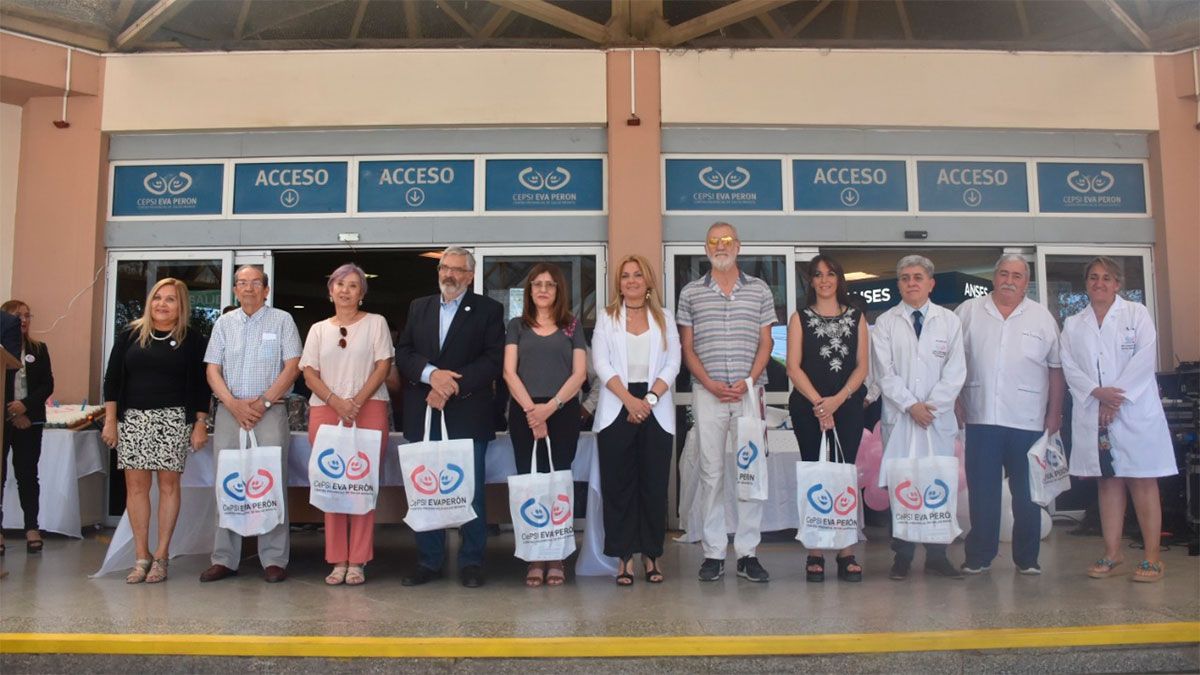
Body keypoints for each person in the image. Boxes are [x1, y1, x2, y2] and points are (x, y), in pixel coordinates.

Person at [1060, 256, 1175, 583]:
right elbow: (1070, 366)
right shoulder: (1073, 323)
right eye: (1094, 277)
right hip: (1094, 408)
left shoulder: (1136, 314)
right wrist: (1098, 394)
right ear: (1086, 284)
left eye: (1107, 278)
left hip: (1133, 410)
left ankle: (1152, 558)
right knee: (1108, 481)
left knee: (1141, 480)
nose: (1100, 283)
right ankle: (1113, 553)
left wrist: (1114, 397)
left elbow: (1144, 358)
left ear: (1118, 284)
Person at [394, 246, 504, 589]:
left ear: (470, 276)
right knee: (427, 491)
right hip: (423, 412)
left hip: (468, 413)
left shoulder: (488, 309)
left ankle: (471, 562)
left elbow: (492, 360)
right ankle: (430, 561)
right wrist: (431, 375)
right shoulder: (419, 306)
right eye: (444, 268)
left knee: (468, 491)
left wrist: (449, 385)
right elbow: (405, 352)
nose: (449, 275)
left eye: (457, 270)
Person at [677, 222, 776, 583]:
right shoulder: (690, 292)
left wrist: (748, 381)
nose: (721, 246)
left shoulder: (760, 289)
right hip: (708, 394)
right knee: (711, 473)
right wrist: (710, 384)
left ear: (739, 245)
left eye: (727, 240)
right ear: (705, 248)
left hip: (750, 394)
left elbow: (767, 342)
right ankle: (714, 553)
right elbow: (687, 347)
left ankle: (748, 553)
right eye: (714, 241)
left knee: (751, 474)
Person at [955, 254, 1065, 576]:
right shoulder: (969, 312)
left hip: (1028, 420)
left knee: (1028, 496)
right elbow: (953, 363)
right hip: (981, 417)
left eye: (1017, 275)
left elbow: (1056, 370)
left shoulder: (1042, 318)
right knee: (983, 493)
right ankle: (978, 557)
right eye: (1004, 273)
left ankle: (1027, 559)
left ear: (1025, 282)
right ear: (994, 277)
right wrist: (956, 401)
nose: (1009, 280)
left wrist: (1054, 412)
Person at [100, 281, 208, 582]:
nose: (162, 304)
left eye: (170, 299)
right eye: (157, 298)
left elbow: (201, 386)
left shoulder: (193, 339)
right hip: (133, 418)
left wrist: (200, 422)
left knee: (168, 487)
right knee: (135, 488)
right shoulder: (131, 334)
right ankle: (140, 556)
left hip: (173, 419)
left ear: (180, 305)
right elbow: (112, 380)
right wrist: (111, 420)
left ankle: (161, 556)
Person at [201, 265, 301, 584]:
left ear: (266, 290)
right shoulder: (223, 323)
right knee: (227, 481)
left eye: (255, 283)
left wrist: (263, 403)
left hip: (269, 411)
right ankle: (225, 558)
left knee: (270, 480)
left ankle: (273, 557)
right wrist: (231, 403)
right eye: (242, 283)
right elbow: (212, 369)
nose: (248, 288)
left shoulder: (282, 320)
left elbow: (293, 366)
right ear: (234, 289)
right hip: (230, 412)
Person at [871, 255, 966, 581]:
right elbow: (885, 373)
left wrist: (931, 406)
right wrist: (912, 406)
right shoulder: (885, 322)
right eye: (905, 277)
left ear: (930, 283)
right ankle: (902, 557)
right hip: (902, 419)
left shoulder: (949, 321)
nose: (911, 282)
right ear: (898, 284)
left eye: (918, 277)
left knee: (937, 485)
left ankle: (938, 556)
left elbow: (956, 372)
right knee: (904, 487)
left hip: (936, 420)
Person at [299, 264, 393, 586]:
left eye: (353, 285)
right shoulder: (318, 329)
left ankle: (359, 560)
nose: (345, 290)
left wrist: (355, 401)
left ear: (362, 293)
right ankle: (337, 560)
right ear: (330, 290)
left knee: (362, 485)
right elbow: (308, 372)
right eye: (339, 284)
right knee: (332, 484)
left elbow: (384, 365)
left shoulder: (376, 324)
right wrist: (336, 401)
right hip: (326, 410)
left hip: (369, 409)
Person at [592, 254, 681, 585]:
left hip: (655, 407)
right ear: (619, 283)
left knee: (654, 486)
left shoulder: (664, 318)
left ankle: (652, 556)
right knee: (620, 487)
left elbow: (673, 363)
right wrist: (630, 400)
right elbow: (601, 364)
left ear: (648, 282)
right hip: (618, 406)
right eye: (625, 276)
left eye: (637, 275)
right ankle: (624, 558)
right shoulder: (606, 317)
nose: (631, 281)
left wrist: (649, 400)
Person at [504, 262, 588, 587]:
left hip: (563, 412)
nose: (542, 289)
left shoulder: (572, 326)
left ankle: (557, 557)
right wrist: (531, 412)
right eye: (537, 284)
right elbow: (510, 372)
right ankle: (534, 557)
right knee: (530, 485)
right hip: (524, 413)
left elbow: (579, 374)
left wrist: (549, 409)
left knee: (557, 484)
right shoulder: (516, 325)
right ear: (529, 291)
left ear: (558, 291)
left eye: (549, 284)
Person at [786, 256, 869, 583]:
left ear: (839, 279)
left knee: (843, 474)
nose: (823, 280)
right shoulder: (799, 318)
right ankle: (816, 550)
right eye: (817, 275)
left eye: (830, 274)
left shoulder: (857, 317)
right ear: (812, 282)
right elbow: (793, 367)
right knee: (815, 476)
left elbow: (862, 366)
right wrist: (820, 405)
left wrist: (836, 401)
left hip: (847, 406)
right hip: (808, 407)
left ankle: (846, 548)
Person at [1, 300, 53, 557]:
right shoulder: (2, 349)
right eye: (16, 316)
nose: (22, 320)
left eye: (26, 315)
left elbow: (46, 385)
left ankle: (31, 527)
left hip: (30, 419)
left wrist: (25, 408)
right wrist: (12, 413)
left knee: (27, 474)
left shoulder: (38, 349)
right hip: (6, 420)